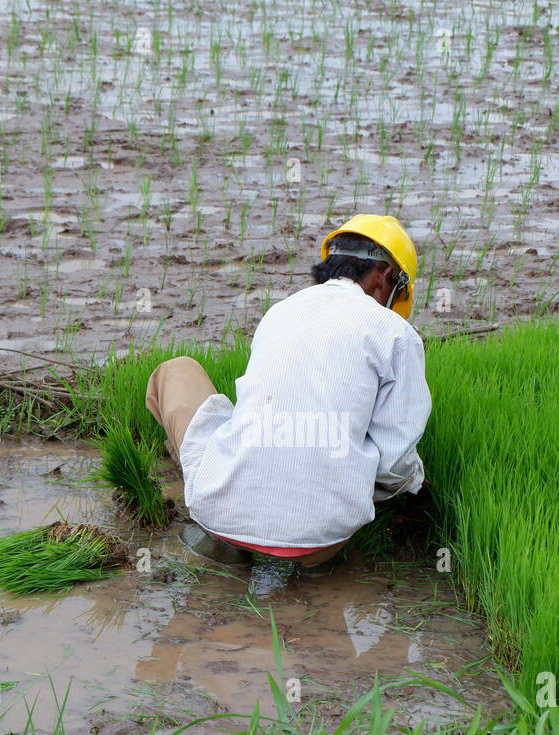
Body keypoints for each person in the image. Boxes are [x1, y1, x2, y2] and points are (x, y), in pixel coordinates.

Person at [145, 214, 431, 576]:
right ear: (387, 277)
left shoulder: (280, 311)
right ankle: (312, 564)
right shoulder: (396, 334)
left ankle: (222, 537)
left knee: (177, 371)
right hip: (321, 541)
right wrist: (415, 486)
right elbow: (394, 463)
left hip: (219, 516)